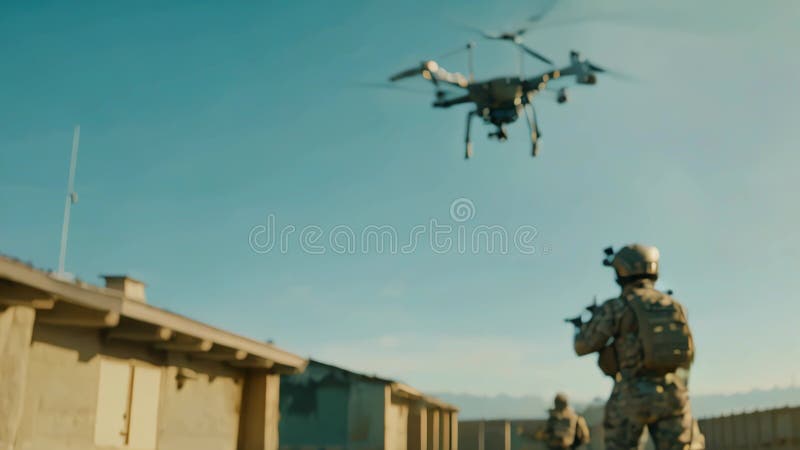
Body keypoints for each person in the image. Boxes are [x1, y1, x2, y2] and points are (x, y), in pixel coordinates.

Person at [572, 244, 705, 450]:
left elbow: (582, 346)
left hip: (631, 394)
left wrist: (581, 328)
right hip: (673, 393)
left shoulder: (618, 306)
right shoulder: (675, 305)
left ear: (621, 272)